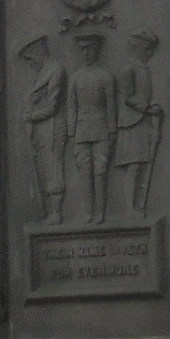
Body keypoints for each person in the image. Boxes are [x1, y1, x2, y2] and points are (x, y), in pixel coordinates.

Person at [67, 33, 119, 225]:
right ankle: (88, 212)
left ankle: (100, 212)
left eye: (90, 48)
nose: (86, 53)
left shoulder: (105, 77)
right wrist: (71, 133)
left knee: (100, 170)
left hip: (101, 129)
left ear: (97, 50)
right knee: (84, 172)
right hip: (81, 131)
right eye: (83, 49)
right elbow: (71, 107)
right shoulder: (75, 78)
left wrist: (112, 131)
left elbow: (111, 106)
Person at [115, 31, 163, 214]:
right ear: (136, 48)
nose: (150, 53)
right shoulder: (128, 70)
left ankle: (139, 205)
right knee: (134, 167)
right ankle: (130, 208)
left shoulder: (144, 69)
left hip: (143, 121)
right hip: (131, 123)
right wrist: (147, 108)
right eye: (147, 49)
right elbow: (128, 97)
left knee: (143, 165)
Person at [19, 36, 66, 222]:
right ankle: (47, 211)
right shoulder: (38, 75)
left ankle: (56, 213)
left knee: (53, 168)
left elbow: (52, 105)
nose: (30, 64)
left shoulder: (55, 71)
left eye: (30, 59)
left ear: (38, 52)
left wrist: (32, 115)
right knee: (44, 170)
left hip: (51, 129)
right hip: (38, 131)